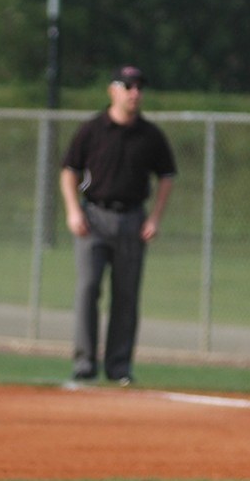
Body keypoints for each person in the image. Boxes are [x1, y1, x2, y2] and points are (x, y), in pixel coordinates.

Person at [58, 65, 177, 386]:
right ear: (112, 91)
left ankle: (119, 368)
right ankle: (84, 366)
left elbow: (167, 175)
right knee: (88, 288)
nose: (134, 93)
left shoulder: (150, 135)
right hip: (93, 218)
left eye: (139, 87)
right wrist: (73, 211)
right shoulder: (92, 130)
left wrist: (155, 217)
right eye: (127, 86)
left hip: (132, 219)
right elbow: (69, 170)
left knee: (126, 296)